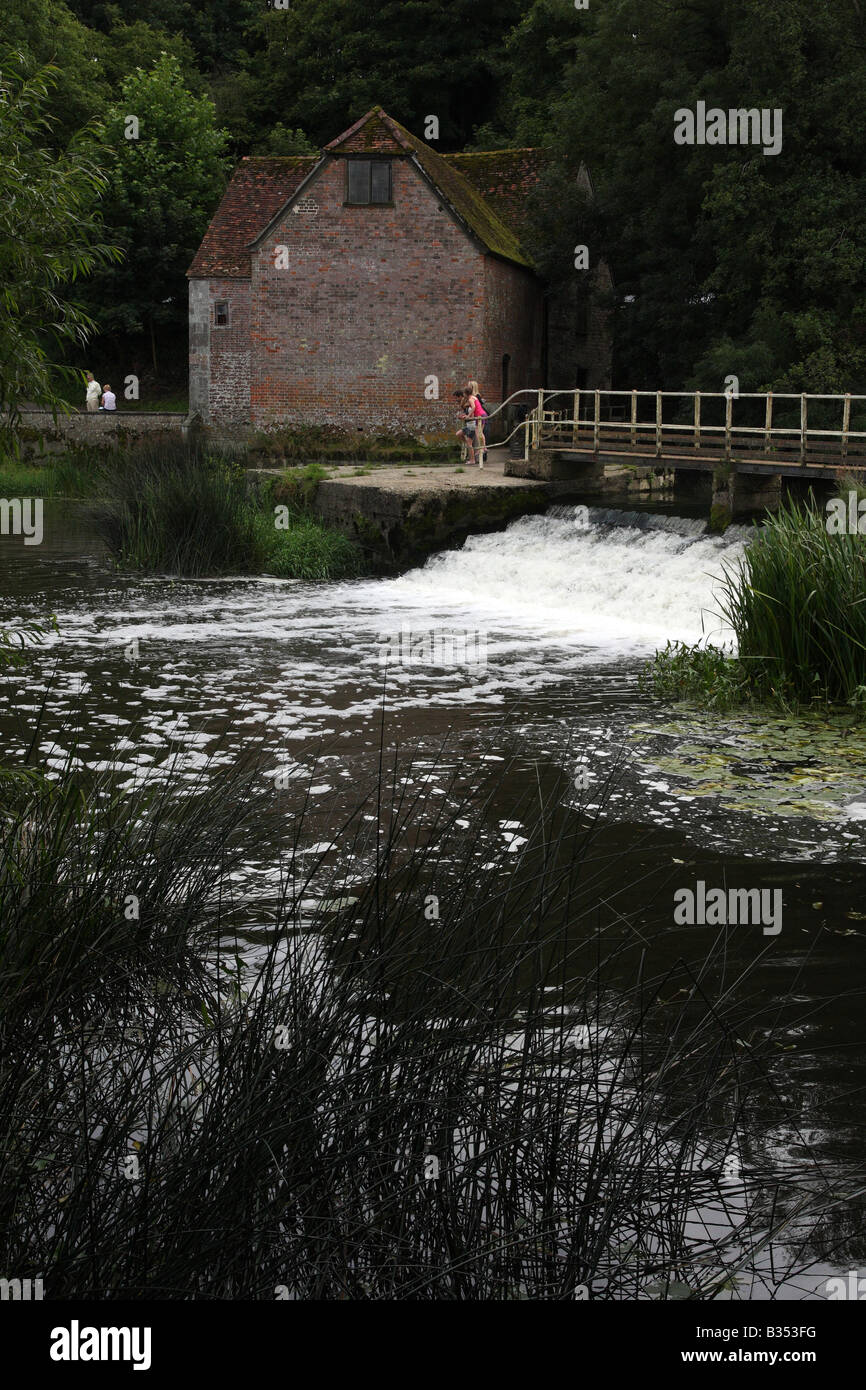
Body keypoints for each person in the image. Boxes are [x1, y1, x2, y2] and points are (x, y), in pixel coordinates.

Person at [466, 379, 488, 466]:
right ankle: (483, 447)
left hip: (480, 415)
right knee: (479, 432)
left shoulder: (473, 397)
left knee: (479, 432)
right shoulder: (474, 397)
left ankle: (483, 447)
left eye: (469, 386)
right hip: (479, 415)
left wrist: (469, 415)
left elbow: (474, 407)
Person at [455, 390, 476, 466]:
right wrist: (463, 416)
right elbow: (467, 416)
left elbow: (473, 418)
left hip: (472, 427)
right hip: (468, 426)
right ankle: (468, 444)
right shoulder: (467, 408)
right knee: (458, 434)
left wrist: (465, 417)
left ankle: (472, 460)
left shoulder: (470, 408)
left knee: (469, 444)